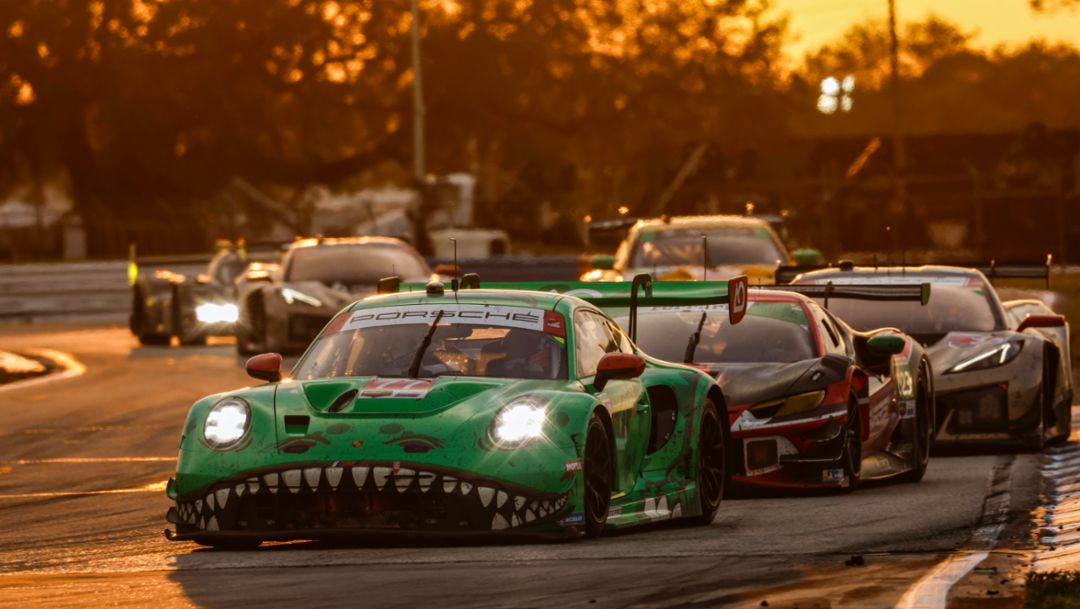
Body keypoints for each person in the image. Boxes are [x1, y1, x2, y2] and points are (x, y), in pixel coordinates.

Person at [486, 328, 559, 379]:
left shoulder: (542, 361)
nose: (515, 346)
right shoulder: (495, 365)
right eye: (512, 342)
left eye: (518, 342)